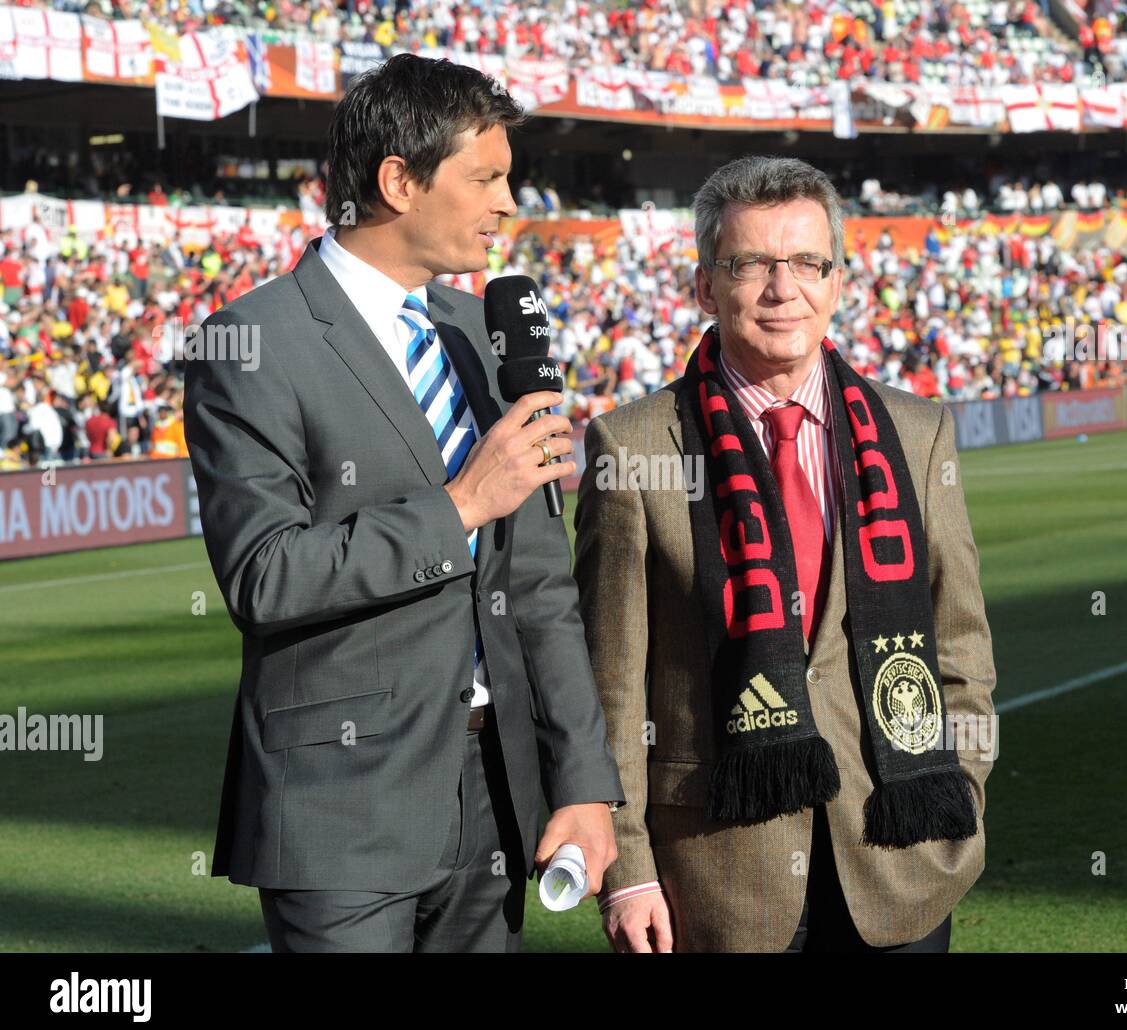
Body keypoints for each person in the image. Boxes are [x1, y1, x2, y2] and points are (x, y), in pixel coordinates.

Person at [183, 54, 624, 953]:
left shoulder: (480, 328)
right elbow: (265, 577)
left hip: (497, 794)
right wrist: (459, 505)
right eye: (487, 178)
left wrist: (583, 783)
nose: (510, 202)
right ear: (397, 181)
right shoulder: (251, 342)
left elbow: (539, 587)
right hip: (340, 804)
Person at [575, 156, 996, 953]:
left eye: (807, 262)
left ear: (837, 282)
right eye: (752, 265)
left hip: (899, 861)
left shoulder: (917, 431)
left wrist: (962, 798)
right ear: (706, 287)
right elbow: (610, 687)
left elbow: (963, 643)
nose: (782, 288)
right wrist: (626, 867)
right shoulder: (631, 448)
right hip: (716, 880)